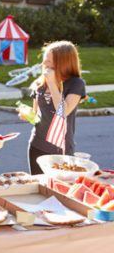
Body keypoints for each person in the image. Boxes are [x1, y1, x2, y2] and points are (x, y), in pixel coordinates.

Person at [25, 41, 86, 175]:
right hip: (36, 144)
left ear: (62, 63)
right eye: (44, 61)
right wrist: (27, 115)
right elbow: (36, 114)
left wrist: (52, 83)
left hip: (60, 149)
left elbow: (64, 111)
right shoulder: (40, 83)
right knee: (39, 188)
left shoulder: (76, 84)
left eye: (48, 61)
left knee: (58, 191)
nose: (44, 65)